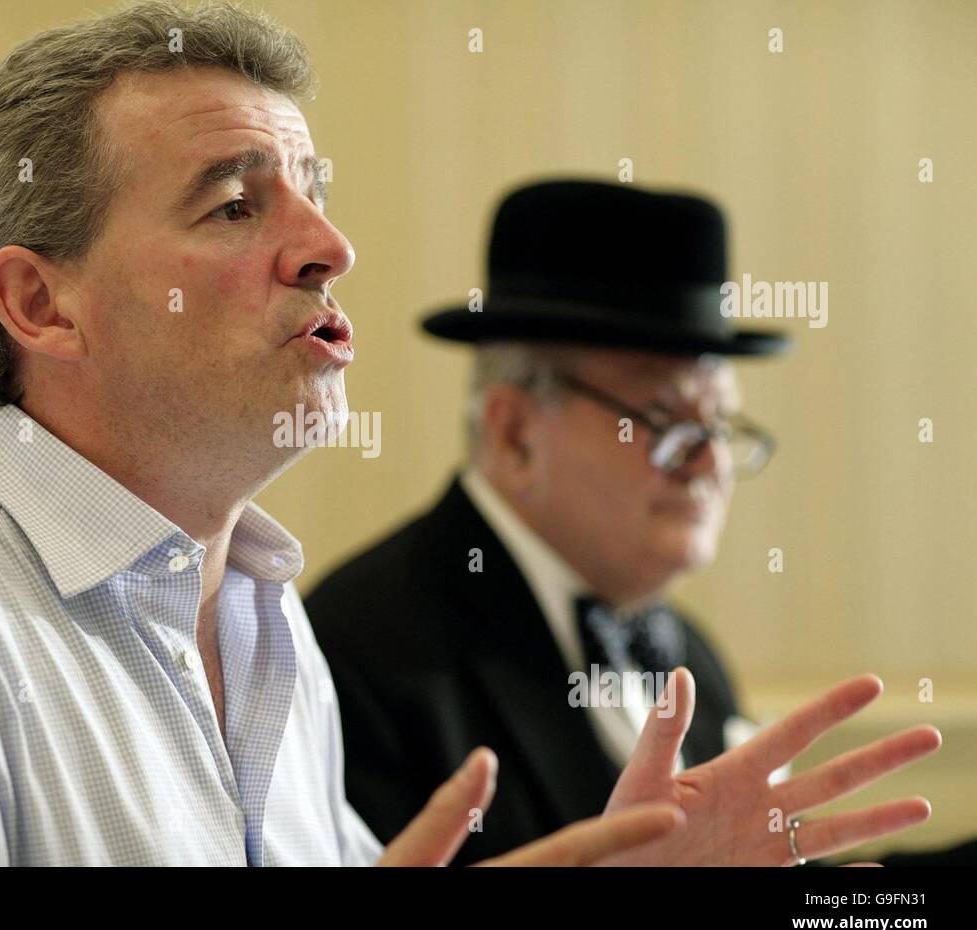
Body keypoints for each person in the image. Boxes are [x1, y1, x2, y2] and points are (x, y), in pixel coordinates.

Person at [0, 8, 939, 867]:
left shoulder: (261, 620)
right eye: (235, 203)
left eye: (313, 192)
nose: (331, 247)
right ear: (38, 302)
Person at [307, 179, 958, 865]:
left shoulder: (684, 647)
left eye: (718, 422)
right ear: (515, 432)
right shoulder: (361, 653)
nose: (709, 461)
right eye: (665, 420)